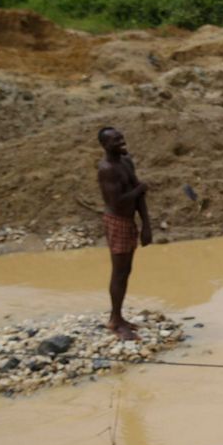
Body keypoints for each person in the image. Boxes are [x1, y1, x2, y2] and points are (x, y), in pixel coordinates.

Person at [97, 126, 152, 340]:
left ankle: (118, 317)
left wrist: (146, 225)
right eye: (115, 140)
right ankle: (115, 320)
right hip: (117, 221)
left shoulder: (126, 161)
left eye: (121, 137)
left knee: (126, 270)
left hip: (129, 220)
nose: (121, 142)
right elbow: (116, 201)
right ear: (104, 145)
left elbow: (139, 195)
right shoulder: (106, 169)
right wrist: (140, 189)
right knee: (119, 271)